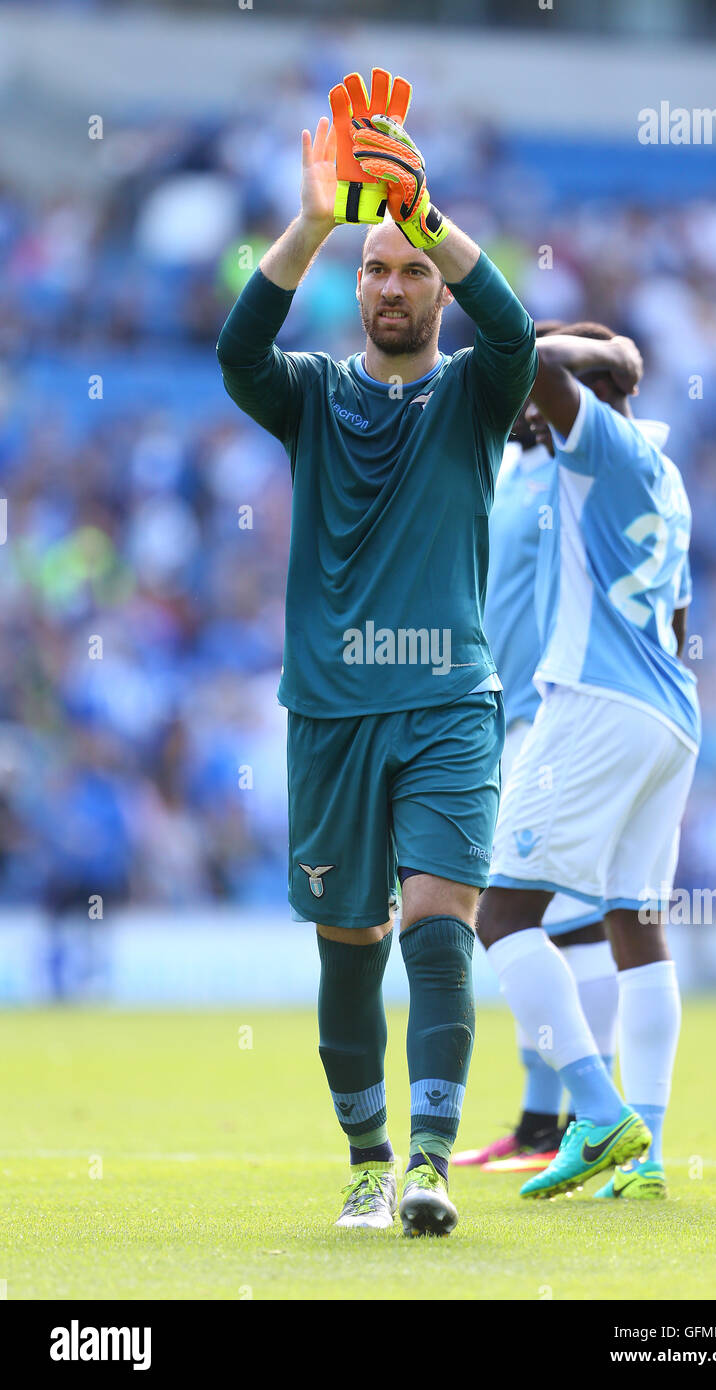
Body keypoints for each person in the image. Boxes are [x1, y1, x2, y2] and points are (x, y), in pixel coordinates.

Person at [216, 112, 537, 1235]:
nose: (393, 285)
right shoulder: (309, 392)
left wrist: (427, 214)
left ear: (436, 292)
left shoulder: (474, 398)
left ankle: (433, 1165)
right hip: (331, 715)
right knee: (348, 948)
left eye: (409, 271)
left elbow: (518, 334)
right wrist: (312, 223)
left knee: (438, 925)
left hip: (450, 699)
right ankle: (368, 1156)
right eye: (376, 269)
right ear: (355, 288)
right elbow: (236, 356)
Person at [478, 323, 699, 1201]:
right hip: (668, 713)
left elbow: (528, 361)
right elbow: (679, 625)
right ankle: (645, 1158)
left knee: (501, 912)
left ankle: (595, 1114)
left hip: (594, 703)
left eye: (543, 406)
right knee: (634, 928)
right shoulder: (668, 475)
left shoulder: (599, 441)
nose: (528, 417)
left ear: (592, 393)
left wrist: (541, 344)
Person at [454, 327, 619, 1176]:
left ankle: (589, 1116)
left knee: (556, 915)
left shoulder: (575, 467)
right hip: (504, 713)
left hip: (554, 714)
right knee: (533, 917)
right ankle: (541, 1121)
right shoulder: (516, 467)